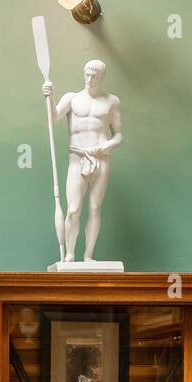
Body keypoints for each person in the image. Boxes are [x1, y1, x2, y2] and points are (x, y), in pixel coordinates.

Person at [43, 59, 122, 262]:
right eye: (87, 74)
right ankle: (70, 254)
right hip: (77, 159)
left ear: (102, 77)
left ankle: (88, 255)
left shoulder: (112, 101)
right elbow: (52, 119)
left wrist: (106, 146)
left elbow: (118, 135)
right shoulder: (72, 98)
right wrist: (49, 96)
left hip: (100, 159)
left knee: (95, 208)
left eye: (95, 75)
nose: (90, 79)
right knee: (73, 209)